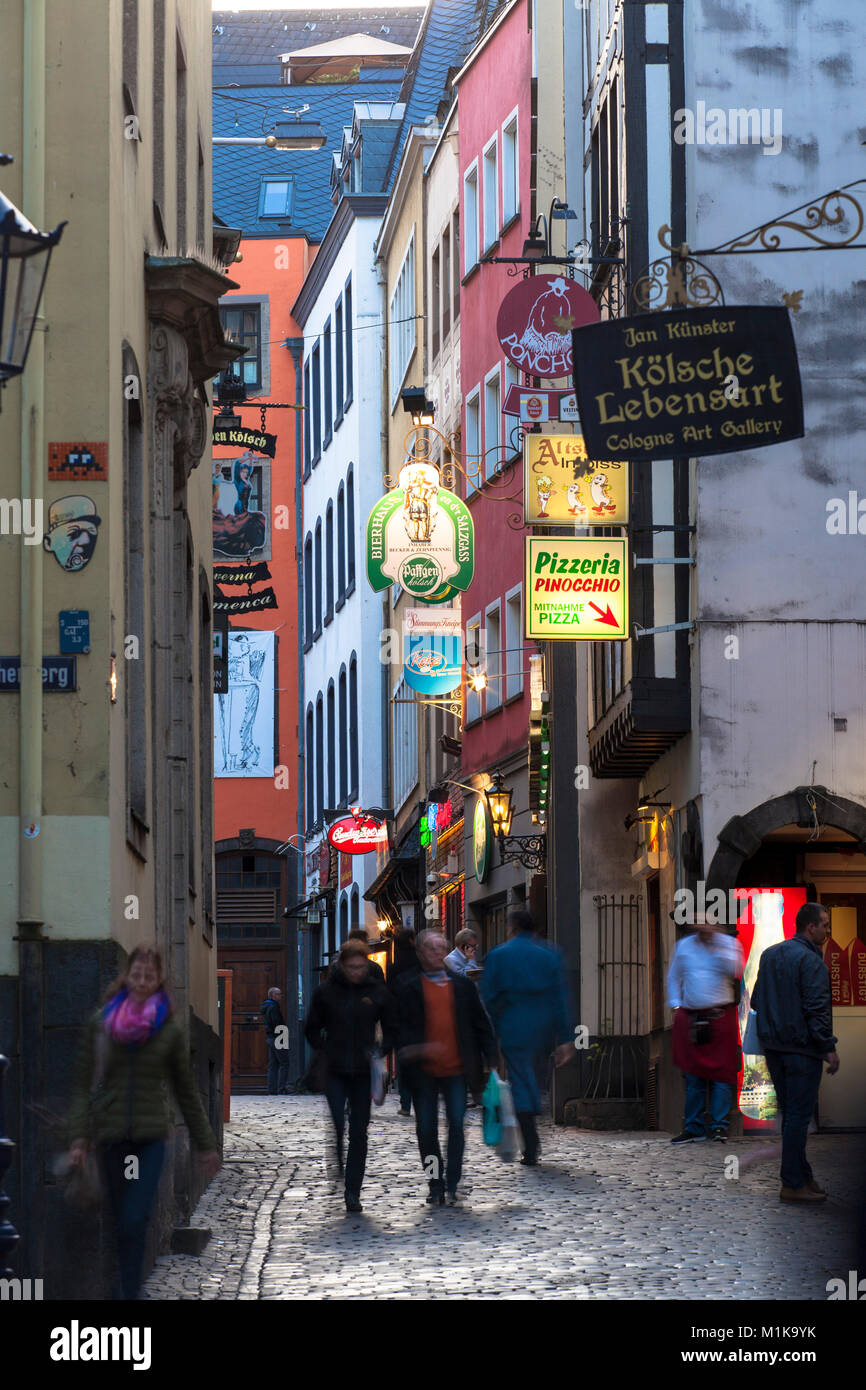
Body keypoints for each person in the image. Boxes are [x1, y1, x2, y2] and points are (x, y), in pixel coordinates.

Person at [66, 946, 220, 1300]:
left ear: (157, 981)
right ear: (126, 975)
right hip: (110, 1134)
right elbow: (81, 1083)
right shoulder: (102, 1023)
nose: (141, 981)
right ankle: (119, 1288)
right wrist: (79, 1137)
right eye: (136, 974)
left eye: (149, 976)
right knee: (119, 1221)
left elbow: (186, 1090)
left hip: (149, 1139)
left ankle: (129, 1293)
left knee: (134, 1219)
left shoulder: (167, 1031)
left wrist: (205, 1143)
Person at [393, 929, 497, 1205]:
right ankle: (434, 1182)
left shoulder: (461, 986)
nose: (438, 953)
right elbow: (397, 1027)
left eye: (442, 948)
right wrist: (415, 1048)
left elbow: (480, 1023)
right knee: (426, 1129)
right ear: (420, 954)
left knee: (457, 1126)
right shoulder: (407, 986)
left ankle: (452, 1179)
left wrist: (492, 1060)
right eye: (432, 949)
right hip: (423, 1071)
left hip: (457, 1069)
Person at [751, 902, 839, 1202]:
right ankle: (792, 1183)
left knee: (792, 1115)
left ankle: (803, 1175)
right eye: (825, 924)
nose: (828, 930)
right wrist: (828, 1047)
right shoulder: (812, 961)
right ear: (810, 926)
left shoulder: (770, 954)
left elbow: (755, 1001)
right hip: (802, 1050)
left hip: (774, 1048)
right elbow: (816, 1009)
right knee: (799, 1117)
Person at [304, 939, 398, 1213]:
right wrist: (324, 1048)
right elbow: (311, 1027)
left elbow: (392, 1025)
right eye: (352, 966)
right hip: (334, 1069)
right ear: (342, 965)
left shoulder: (377, 991)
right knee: (338, 1123)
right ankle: (337, 1150)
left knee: (360, 1130)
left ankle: (352, 1191)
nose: (357, 972)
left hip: (362, 1071)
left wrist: (382, 1050)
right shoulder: (326, 992)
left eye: (361, 966)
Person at [481, 909, 575, 1165]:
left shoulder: (498, 956)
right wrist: (566, 1037)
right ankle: (532, 1113)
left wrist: (496, 1027)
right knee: (535, 1078)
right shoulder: (551, 954)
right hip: (544, 1029)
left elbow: (488, 997)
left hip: (513, 1027)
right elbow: (561, 998)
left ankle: (530, 1139)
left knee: (521, 1079)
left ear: (512, 928)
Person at [667, 915, 744, 1144]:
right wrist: (675, 1005)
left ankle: (719, 1127)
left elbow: (735, 969)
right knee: (693, 1075)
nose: (702, 928)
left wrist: (716, 943)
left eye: (707, 924)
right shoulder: (683, 947)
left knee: (722, 1075)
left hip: (719, 1017)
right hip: (692, 1017)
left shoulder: (729, 944)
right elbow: (673, 977)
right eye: (698, 924)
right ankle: (694, 1127)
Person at [387, 927, 418, 1117]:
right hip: (421, 1018)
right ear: (412, 941)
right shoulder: (421, 962)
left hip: (400, 1021)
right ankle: (422, 1099)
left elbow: (389, 995)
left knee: (404, 1062)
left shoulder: (393, 966)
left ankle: (405, 1103)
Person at [261, 986, 289, 1095]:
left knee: (273, 1064)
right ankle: (281, 1089)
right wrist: (282, 1035)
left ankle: (272, 1090)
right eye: (278, 994)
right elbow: (277, 1023)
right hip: (278, 1037)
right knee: (284, 1063)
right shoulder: (273, 1007)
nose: (280, 996)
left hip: (270, 1037)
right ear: (272, 995)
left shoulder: (267, 1006)